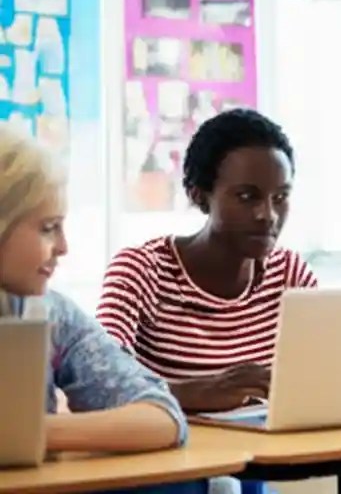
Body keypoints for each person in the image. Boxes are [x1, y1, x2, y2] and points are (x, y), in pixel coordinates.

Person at [97, 108, 317, 413]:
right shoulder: (141, 270)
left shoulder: (290, 275)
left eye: (280, 197)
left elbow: (323, 378)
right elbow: (100, 379)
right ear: (199, 196)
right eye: (246, 196)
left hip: (270, 453)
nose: (268, 215)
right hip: (178, 455)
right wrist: (187, 393)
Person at [0, 126, 185, 454]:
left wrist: (29, 432)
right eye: (48, 228)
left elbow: (162, 417)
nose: (63, 247)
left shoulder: (53, 313)